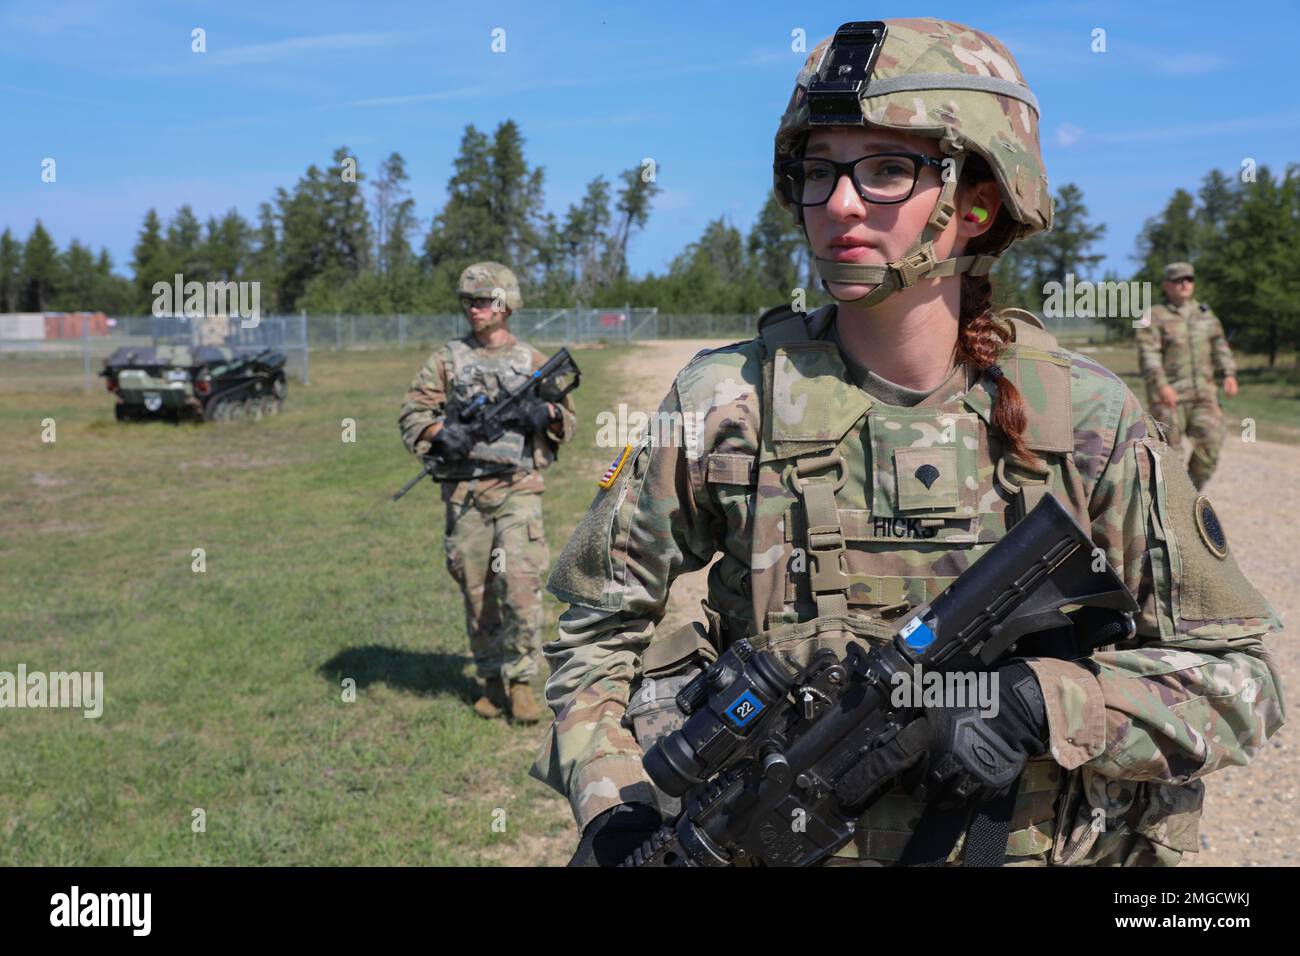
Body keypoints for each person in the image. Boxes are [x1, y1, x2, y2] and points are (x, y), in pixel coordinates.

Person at [530, 19, 1284, 866]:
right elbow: (594, 634)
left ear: (976, 204)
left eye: (888, 169)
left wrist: (1045, 701)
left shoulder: (1086, 418)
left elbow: (1241, 686)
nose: (841, 204)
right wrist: (613, 804)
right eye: (821, 173)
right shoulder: (723, 404)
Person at [399, 262, 576, 723]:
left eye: (482, 301)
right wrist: (441, 432)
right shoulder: (446, 360)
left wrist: (549, 413)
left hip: (518, 488)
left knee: (520, 583)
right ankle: (491, 680)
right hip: (466, 494)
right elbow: (412, 413)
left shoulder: (533, 361)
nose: (473, 309)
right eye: (467, 302)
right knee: (477, 593)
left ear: (506, 304)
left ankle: (521, 682)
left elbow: (568, 418)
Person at [1136, 262, 1239, 490]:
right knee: (1169, 456)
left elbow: (1220, 346)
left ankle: (1188, 495)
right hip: (1168, 397)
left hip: (1204, 395)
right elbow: (1148, 354)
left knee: (1210, 445)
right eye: (1178, 280)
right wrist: (1161, 385)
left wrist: (1229, 374)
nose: (1184, 284)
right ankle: (1165, 505)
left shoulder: (1205, 314)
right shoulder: (1152, 316)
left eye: (1189, 279)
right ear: (1166, 285)